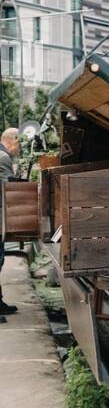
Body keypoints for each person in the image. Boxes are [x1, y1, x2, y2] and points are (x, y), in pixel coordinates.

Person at [0, 127, 20, 315]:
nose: (19, 148)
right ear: (13, 140)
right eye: (19, 143)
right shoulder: (3, 157)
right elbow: (9, 189)